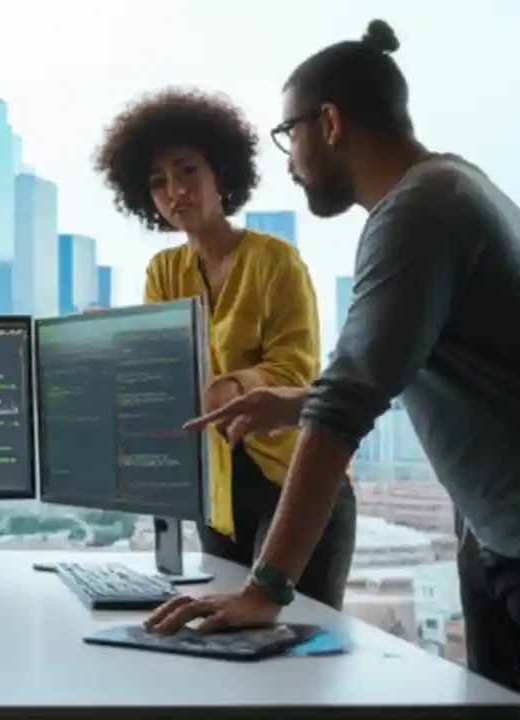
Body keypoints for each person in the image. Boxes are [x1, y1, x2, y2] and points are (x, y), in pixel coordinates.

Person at [144, 19, 520, 717]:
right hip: (507, 536)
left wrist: (266, 589)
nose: (290, 162)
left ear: (329, 123)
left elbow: (346, 407)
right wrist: (287, 403)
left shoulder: (420, 211)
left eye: (290, 136)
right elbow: (387, 369)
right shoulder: (440, 191)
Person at [93, 87, 355, 608]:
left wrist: (233, 386)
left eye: (187, 170)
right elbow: (166, 371)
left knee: (297, 643)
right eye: (158, 183)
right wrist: (120, 349)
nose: (175, 191)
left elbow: (294, 369)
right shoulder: (163, 271)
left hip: (297, 479)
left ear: (221, 173)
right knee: (226, 639)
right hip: (219, 489)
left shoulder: (276, 261)